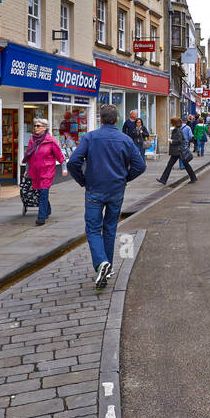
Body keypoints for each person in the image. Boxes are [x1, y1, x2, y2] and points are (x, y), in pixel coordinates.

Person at [68, 104, 147, 289]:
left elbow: (73, 162)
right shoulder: (125, 139)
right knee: (110, 228)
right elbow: (140, 166)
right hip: (116, 190)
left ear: (100, 120)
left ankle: (101, 263)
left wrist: (83, 180)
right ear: (117, 120)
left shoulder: (91, 137)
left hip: (94, 189)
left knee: (93, 229)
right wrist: (125, 178)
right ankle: (108, 267)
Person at [23, 118, 65, 226]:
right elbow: (29, 155)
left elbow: (59, 155)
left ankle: (41, 217)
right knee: (40, 192)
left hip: (47, 171)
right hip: (35, 171)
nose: (36, 128)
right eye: (35, 126)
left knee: (43, 192)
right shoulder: (32, 139)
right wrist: (27, 170)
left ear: (45, 128)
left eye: (38, 126)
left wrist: (64, 168)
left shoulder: (50, 141)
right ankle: (47, 209)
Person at [158, 115, 198, 186]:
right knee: (184, 164)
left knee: (170, 165)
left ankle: (163, 179)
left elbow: (179, 140)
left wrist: (171, 141)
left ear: (174, 123)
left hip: (177, 151)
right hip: (177, 150)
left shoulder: (178, 130)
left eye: (172, 122)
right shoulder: (177, 129)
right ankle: (193, 177)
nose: (171, 123)